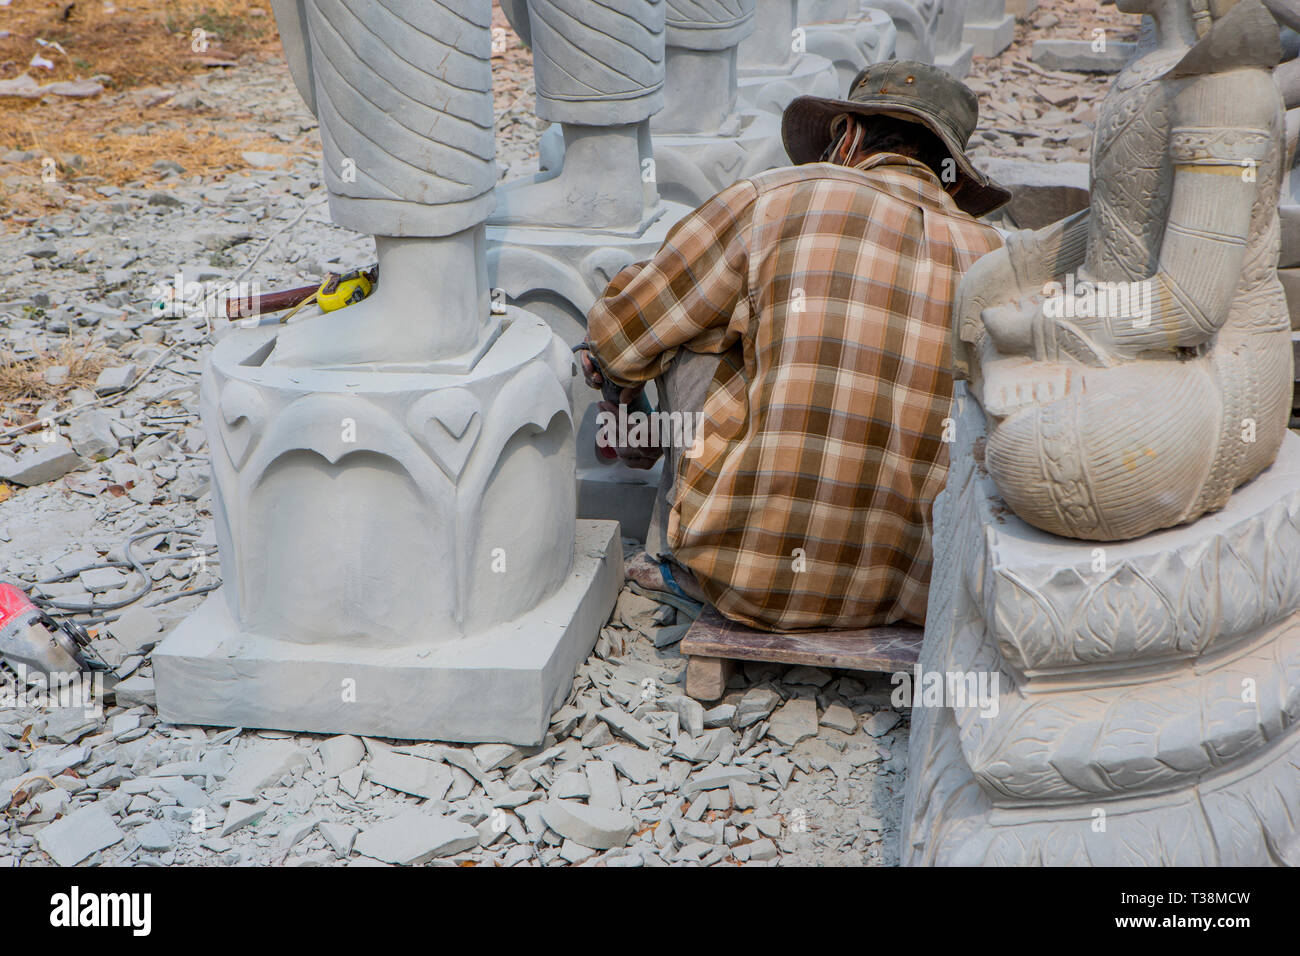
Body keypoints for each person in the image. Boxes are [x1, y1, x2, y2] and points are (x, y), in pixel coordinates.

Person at [579, 60, 1010, 632]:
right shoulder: (995, 258)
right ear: (951, 175)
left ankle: (693, 551)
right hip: (919, 592)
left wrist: (622, 394)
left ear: (847, 136)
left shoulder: (772, 200)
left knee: (682, 316)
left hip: (748, 582)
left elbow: (621, 331)